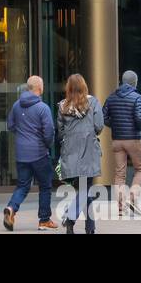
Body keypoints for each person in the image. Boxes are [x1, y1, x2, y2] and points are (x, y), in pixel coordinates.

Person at [2, 76, 58, 231]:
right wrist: (47, 144)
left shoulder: (16, 105)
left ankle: (11, 208)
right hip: (39, 153)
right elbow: (49, 132)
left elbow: (10, 125)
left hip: (21, 154)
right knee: (45, 186)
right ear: (39, 88)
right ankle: (44, 220)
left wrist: (21, 135)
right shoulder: (42, 108)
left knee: (22, 185)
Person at [57, 74, 105, 234]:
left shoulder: (62, 106)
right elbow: (99, 126)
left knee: (84, 190)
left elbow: (60, 132)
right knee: (85, 190)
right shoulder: (93, 103)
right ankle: (70, 217)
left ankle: (89, 228)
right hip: (88, 151)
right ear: (84, 86)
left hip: (70, 152)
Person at [103, 70, 141, 215]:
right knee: (140, 169)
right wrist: (138, 129)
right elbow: (140, 119)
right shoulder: (137, 97)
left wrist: (115, 125)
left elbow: (104, 117)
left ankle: (121, 208)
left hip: (117, 140)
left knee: (119, 173)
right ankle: (132, 199)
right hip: (133, 138)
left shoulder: (112, 97)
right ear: (134, 82)